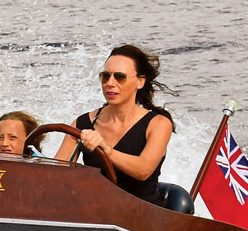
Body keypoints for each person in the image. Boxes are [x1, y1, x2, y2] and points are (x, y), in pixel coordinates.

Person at [52, 44, 175, 205]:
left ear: (140, 82)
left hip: (144, 212)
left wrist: (106, 150)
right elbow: (55, 173)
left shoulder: (158, 124)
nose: (110, 83)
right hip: (95, 210)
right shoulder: (82, 123)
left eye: (120, 77)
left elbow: (143, 170)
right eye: (105, 76)